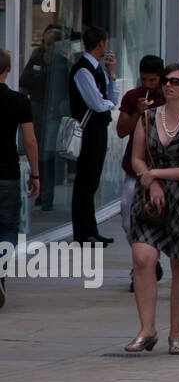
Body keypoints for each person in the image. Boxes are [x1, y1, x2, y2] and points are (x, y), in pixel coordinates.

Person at [125, 63, 179, 354]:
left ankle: (176, 334)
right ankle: (146, 329)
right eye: (165, 81)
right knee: (143, 257)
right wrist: (149, 180)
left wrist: (157, 175)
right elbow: (137, 158)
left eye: (175, 81)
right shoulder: (148, 118)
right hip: (152, 198)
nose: (168, 85)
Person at [116, 55, 165, 291]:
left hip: (162, 169)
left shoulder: (168, 95)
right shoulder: (133, 97)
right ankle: (144, 263)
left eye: (153, 80)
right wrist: (137, 113)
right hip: (134, 169)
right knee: (127, 219)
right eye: (145, 79)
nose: (149, 85)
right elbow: (121, 130)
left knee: (160, 221)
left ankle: (144, 265)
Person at [68, 25, 119, 245]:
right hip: (88, 130)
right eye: (105, 42)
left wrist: (111, 74)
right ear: (101, 43)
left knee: (92, 181)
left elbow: (110, 97)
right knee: (85, 182)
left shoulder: (97, 69)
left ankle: (91, 228)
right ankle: (83, 231)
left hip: (98, 130)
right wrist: (108, 103)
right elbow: (98, 103)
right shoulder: (83, 70)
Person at [0, 49, 40, 308]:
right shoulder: (19, 101)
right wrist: (35, 173)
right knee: (7, 228)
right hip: (7, 173)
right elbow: (29, 140)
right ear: (9, 69)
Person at [21, 25, 70, 212]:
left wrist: (59, 109)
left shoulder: (62, 63)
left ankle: (47, 195)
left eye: (50, 44)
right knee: (37, 153)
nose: (46, 47)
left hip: (52, 114)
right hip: (36, 110)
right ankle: (41, 192)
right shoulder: (37, 58)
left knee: (48, 155)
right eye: (45, 43)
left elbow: (66, 93)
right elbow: (24, 82)